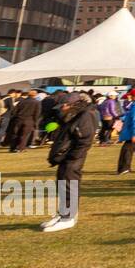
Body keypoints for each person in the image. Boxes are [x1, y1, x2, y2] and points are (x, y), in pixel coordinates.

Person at [39, 92, 100, 233]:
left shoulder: (85, 115)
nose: (62, 108)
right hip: (66, 156)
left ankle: (68, 218)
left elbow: (85, 140)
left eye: (64, 106)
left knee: (69, 186)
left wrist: (73, 156)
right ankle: (63, 214)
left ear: (73, 104)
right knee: (62, 184)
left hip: (73, 158)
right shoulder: (73, 114)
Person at [116, 88, 135, 175]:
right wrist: (122, 118)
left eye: (130, 95)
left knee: (126, 150)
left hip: (134, 133)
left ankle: (124, 169)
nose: (128, 96)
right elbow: (131, 117)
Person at [4, 87, 41, 154]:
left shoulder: (21, 101)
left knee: (15, 134)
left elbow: (15, 111)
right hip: (29, 120)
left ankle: (12, 148)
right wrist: (35, 122)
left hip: (18, 119)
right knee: (24, 135)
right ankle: (21, 148)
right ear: (35, 95)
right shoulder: (37, 102)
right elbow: (37, 113)